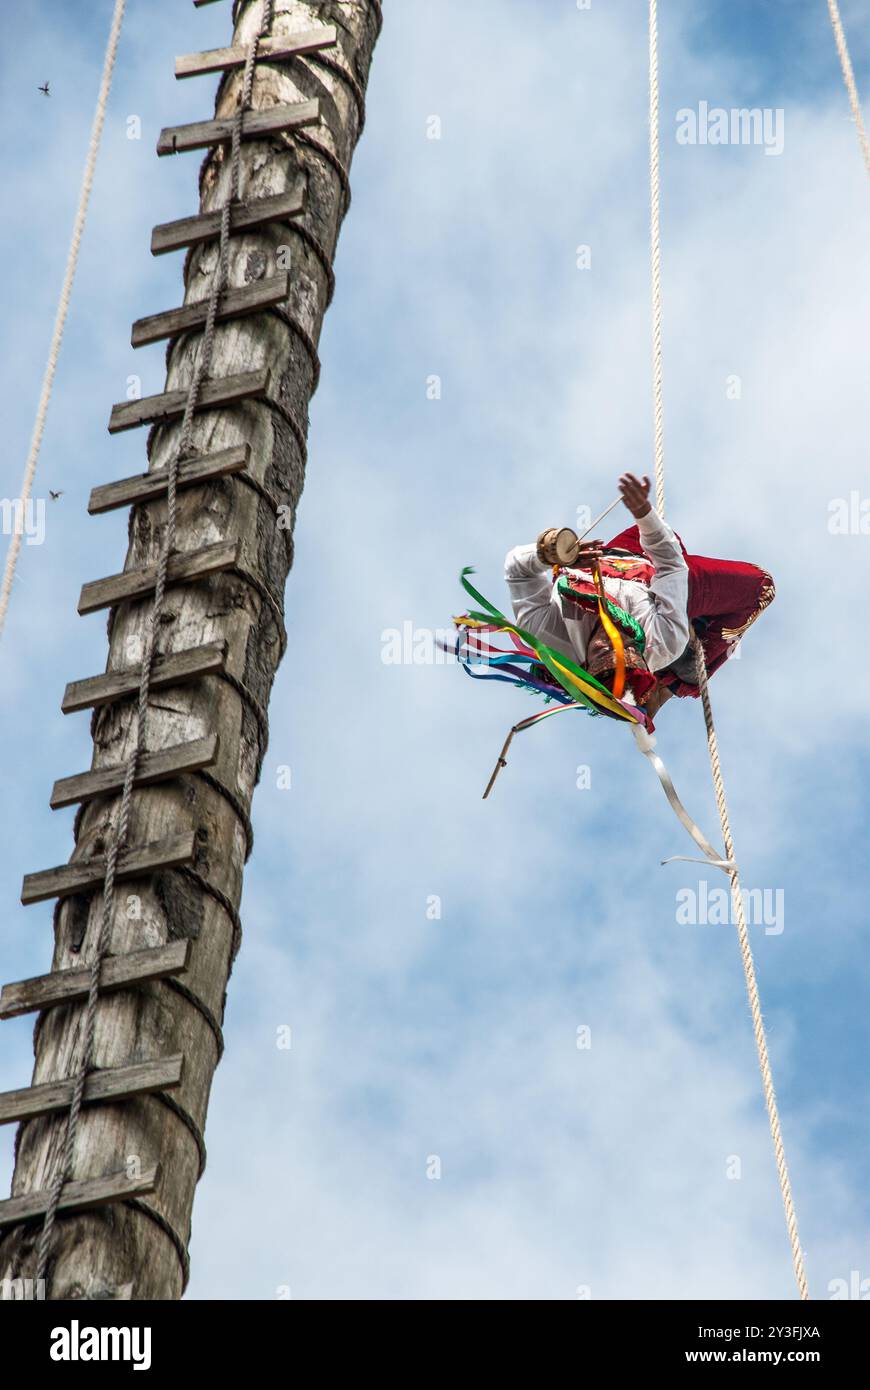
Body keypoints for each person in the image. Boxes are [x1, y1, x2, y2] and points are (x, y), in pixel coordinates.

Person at [504, 473, 774, 719]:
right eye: (624, 649)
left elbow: (517, 570)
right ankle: (671, 681)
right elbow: (670, 564)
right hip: (654, 584)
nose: (611, 643)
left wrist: (549, 553)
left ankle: (675, 643)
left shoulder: (549, 636)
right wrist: (645, 514)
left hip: (614, 556)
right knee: (761, 586)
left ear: (587, 668)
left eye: (603, 654)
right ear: (639, 655)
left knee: (664, 534)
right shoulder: (664, 641)